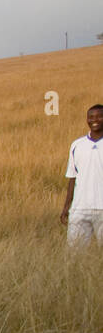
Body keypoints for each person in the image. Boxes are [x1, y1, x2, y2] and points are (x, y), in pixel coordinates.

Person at [61, 104, 103, 247]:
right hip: (79, 209)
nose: (94, 120)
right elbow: (72, 178)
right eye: (91, 117)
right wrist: (67, 206)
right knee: (74, 256)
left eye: (99, 116)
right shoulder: (77, 145)